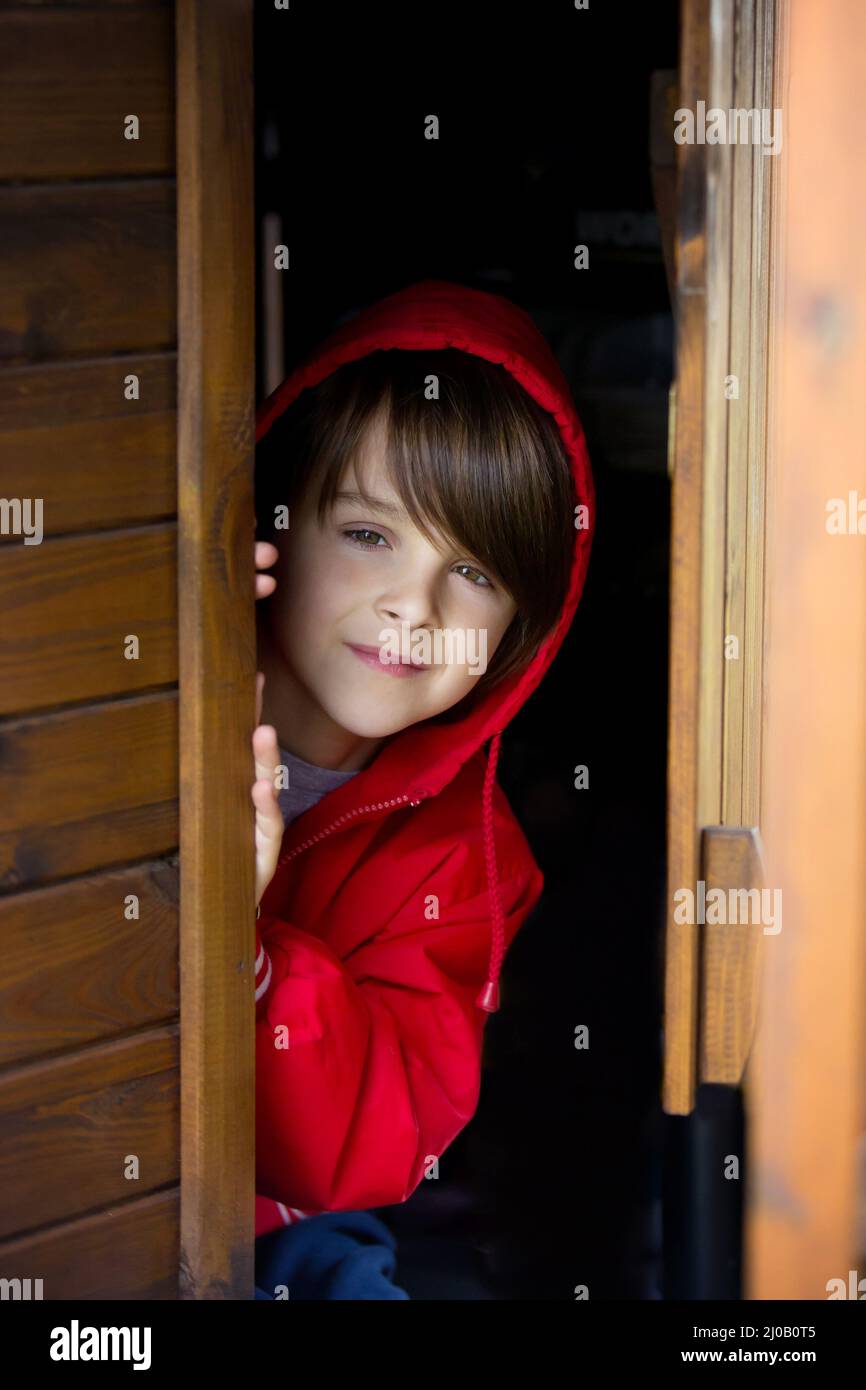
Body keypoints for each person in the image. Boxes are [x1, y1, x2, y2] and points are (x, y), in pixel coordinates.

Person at [249, 279, 594, 1297]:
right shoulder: (148, 704)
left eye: (474, 573)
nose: (413, 607)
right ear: (275, 525)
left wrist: (245, 948)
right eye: (367, 534)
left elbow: (369, 1147)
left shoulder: (468, 860)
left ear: (516, 635)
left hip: (280, 1227)